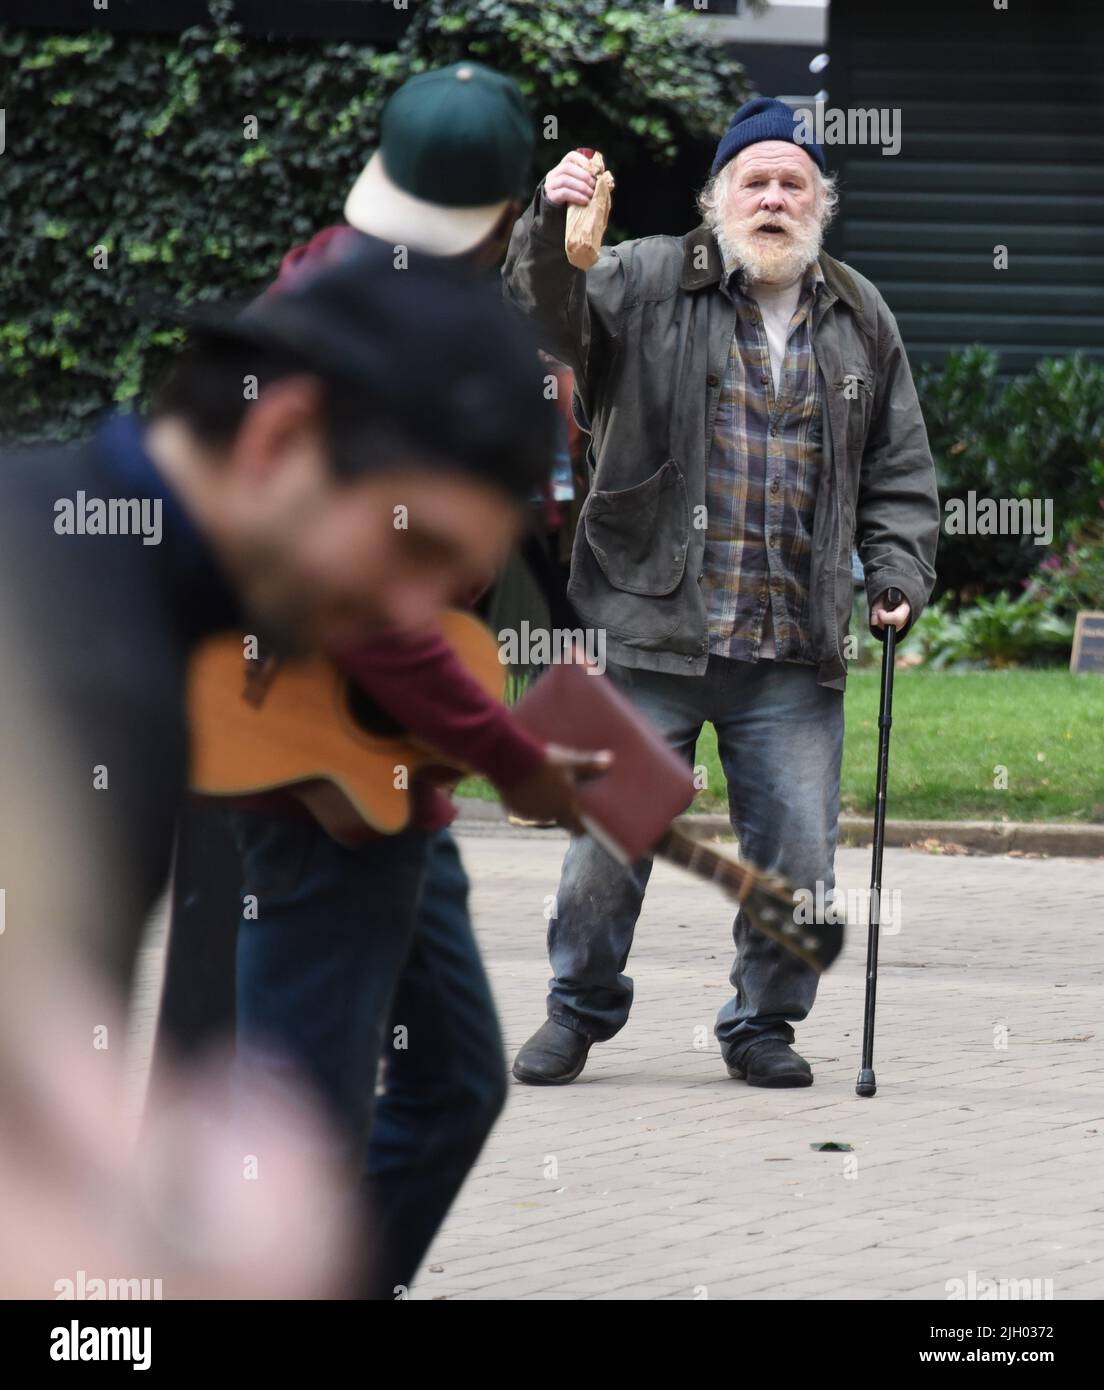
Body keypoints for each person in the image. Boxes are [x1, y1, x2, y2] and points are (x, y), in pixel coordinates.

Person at [0, 244, 558, 1295]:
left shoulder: (70, 551)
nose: (414, 617)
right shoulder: (88, 669)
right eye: (412, 545)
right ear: (282, 437)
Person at [155, 62, 608, 1301]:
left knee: (456, 1081)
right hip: (311, 785)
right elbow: (365, 610)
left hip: (383, 774)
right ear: (508, 211)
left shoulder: (324, 276)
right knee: (299, 1130)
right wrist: (514, 755)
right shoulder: (361, 334)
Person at [503, 97, 941, 1089]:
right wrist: (550, 222)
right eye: (757, 180)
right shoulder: (645, 277)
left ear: (822, 201)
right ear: (719, 198)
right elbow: (544, 313)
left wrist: (899, 571)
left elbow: (899, 471)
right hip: (646, 625)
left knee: (799, 865)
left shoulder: (860, 314)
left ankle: (761, 1024)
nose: (775, 197)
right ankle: (577, 1009)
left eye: (795, 182)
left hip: (790, 643)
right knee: (604, 849)